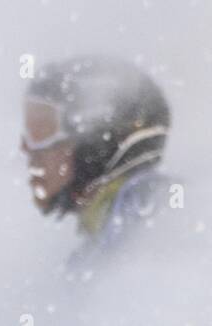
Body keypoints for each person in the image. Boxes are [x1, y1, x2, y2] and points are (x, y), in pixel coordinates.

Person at [21, 55, 174, 267]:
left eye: (42, 132)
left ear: (95, 141)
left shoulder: (148, 205)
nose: (26, 149)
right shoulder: (93, 251)